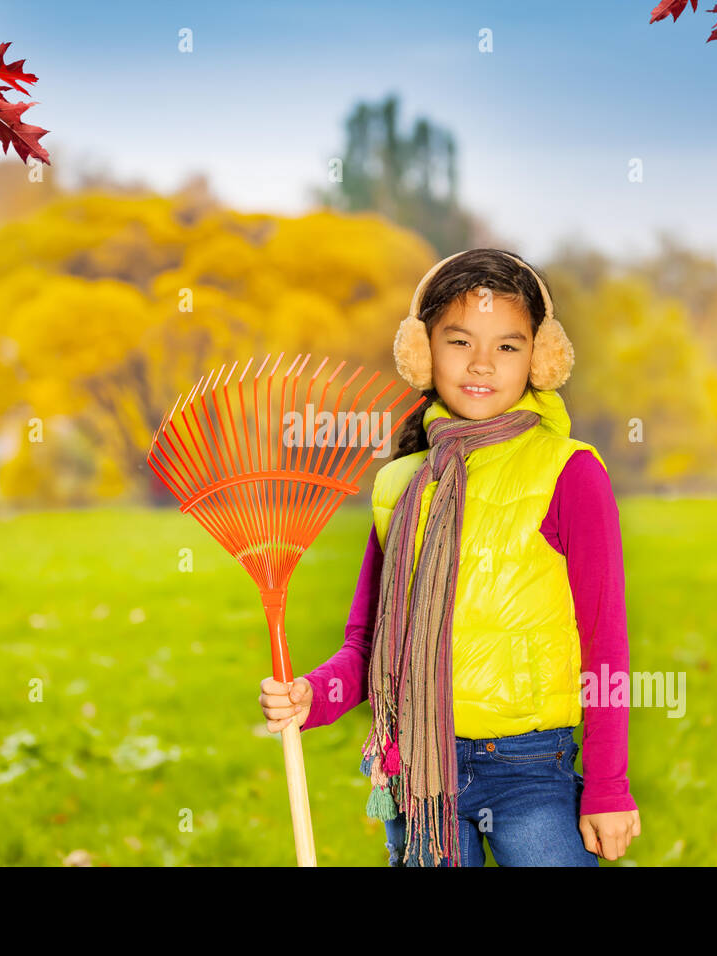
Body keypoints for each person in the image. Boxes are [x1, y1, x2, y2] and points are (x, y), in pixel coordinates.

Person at [258, 248, 640, 867]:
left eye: (509, 347)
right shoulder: (402, 485)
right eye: (459, 341)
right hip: (419, 772)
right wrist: (314, 694)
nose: (482, 364)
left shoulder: (569, 472)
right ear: (421, 351)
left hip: (531, 770)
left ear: (540, 360)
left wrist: (607, 787)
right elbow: (369, 642)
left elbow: (606, 644)